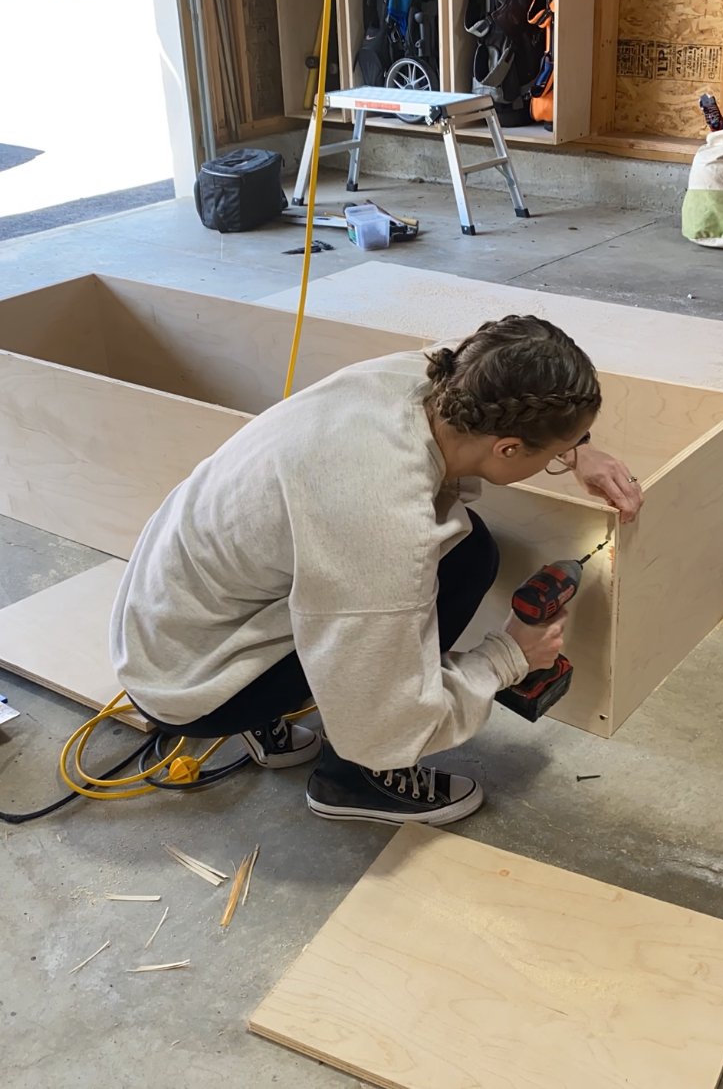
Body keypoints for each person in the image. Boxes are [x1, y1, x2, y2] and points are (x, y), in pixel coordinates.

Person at [110, 315, 642, 826]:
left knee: (468, 547)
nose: (560, 460)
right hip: (191, 687)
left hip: (171, 624)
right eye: (549, 457)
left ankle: (261, 710)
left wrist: (577, 448)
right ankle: (356, 782)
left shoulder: (426, 373)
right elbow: (383, 724)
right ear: (507, 447)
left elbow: (506, 363)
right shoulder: (380, 518)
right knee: (464, 564)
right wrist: (509, 656)